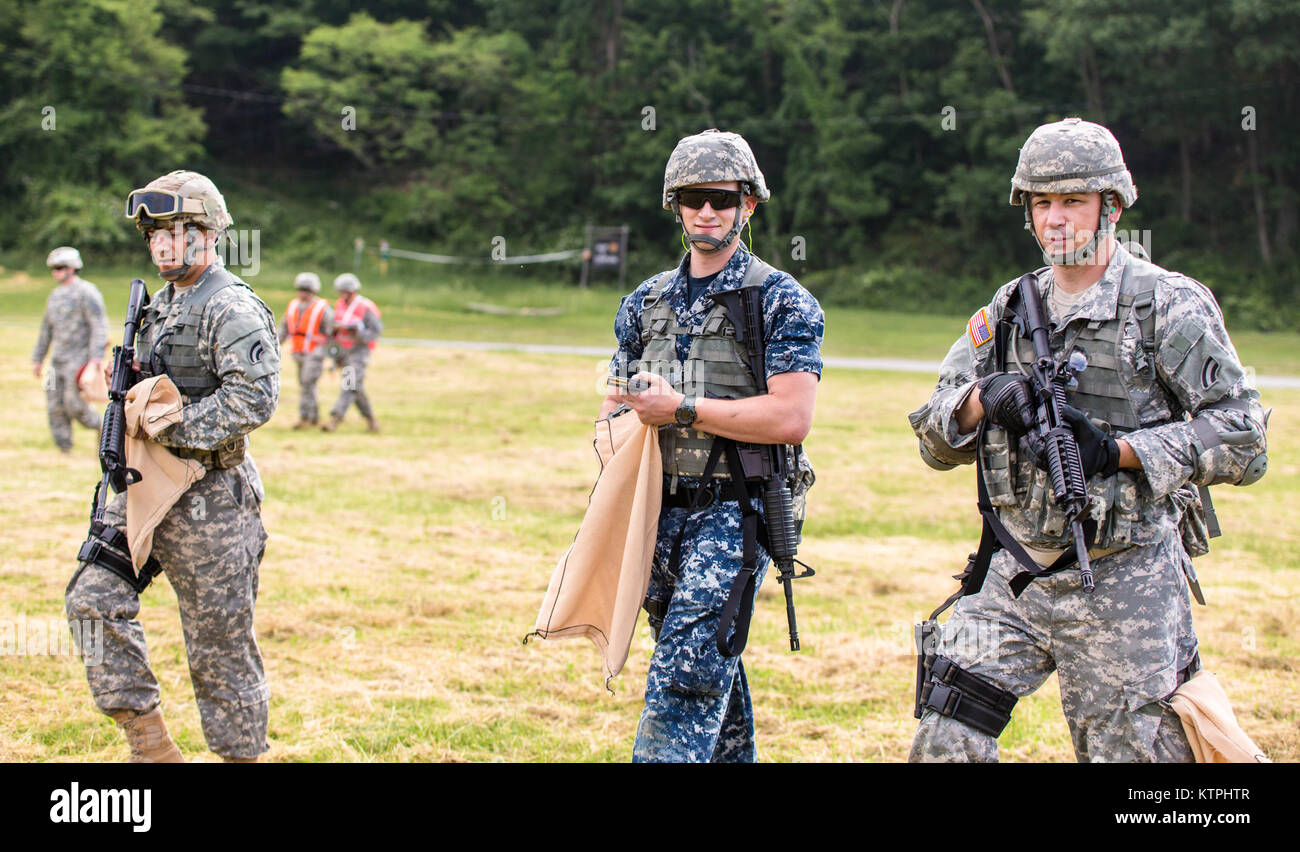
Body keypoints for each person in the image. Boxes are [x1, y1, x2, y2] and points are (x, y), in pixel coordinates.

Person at [908, 118, 1269, 762]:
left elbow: (1244, 436)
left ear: (1113, 206)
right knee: (945, 731)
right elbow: (933, 436)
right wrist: (981, 401)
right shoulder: (1011, 309)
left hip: (1123, 577)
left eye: (1073, 200)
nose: (1055, 220)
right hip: (1016, 573)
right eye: (1040, 203)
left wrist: (1121, 451)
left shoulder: (1167, 306)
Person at [602, 129, 824, 762]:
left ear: (748, 205)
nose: (706, 211)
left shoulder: (781, 301)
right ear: (675, 205)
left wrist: (684, 410)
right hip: (658, 512)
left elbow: (791, 417)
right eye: (693, 198)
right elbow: (614, 400)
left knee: (685, 676)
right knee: (707, 671)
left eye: (722, 199)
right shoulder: (644, 301)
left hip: (738, 513)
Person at [65, 170, 280, 762]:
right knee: (92, 602)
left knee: (220, 650)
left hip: (214, 501)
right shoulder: (161, 306)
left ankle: (241, 758)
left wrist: (169, 422)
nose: (161, 244)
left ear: (209, 234)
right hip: (146, 488)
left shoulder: (229, 305)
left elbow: (254, 398)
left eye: (175, 231)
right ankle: (151, 746)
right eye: (153, 234)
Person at [32, 246, 107, 452]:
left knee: (74, 404)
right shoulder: (55, 296)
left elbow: (99, 326)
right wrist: (38, 359)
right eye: (53, 268)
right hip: (57, 361)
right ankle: (64, 449)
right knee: (55, 406)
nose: (55, 272)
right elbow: (46, 329)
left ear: (72, 268)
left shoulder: (87, 292)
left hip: (79, 360)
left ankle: (102, 427)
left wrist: (95, 360)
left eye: (59, 267)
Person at [322, 272, 381, 433]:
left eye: (345, 292)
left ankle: (335, 418)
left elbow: (376, 331)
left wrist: (357, 333)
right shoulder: (339, 305)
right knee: (355, 387)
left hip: (359, 352)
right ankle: (371, 420)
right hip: (344, 352)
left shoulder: (366, 306)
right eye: (340, 292)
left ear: (353, 291)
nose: (342, 295)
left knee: (350, 384)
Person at [278, 272, 335, 429]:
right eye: (300, 289)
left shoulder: (323, 308)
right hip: (298, 352)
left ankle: (305, 418)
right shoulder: (293, 306)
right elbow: (284, 329)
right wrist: (275, 345)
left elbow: (331, 331)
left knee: (307, 382)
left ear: (313, 291)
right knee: (306, 384)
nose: (302, 293)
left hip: (315, 352)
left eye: (306, 290)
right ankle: (314, 417)